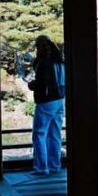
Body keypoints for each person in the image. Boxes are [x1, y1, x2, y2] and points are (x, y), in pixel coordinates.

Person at [28, 35, 65, 175]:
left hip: (46, 101)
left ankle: (42, 167)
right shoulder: (59, 60)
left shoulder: (44, 62)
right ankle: (55, 166)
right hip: (59, 100)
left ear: (39, 47)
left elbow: (43, 83)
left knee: (39, 133)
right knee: (55, 134)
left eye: (37, 46)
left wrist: (32, 85)